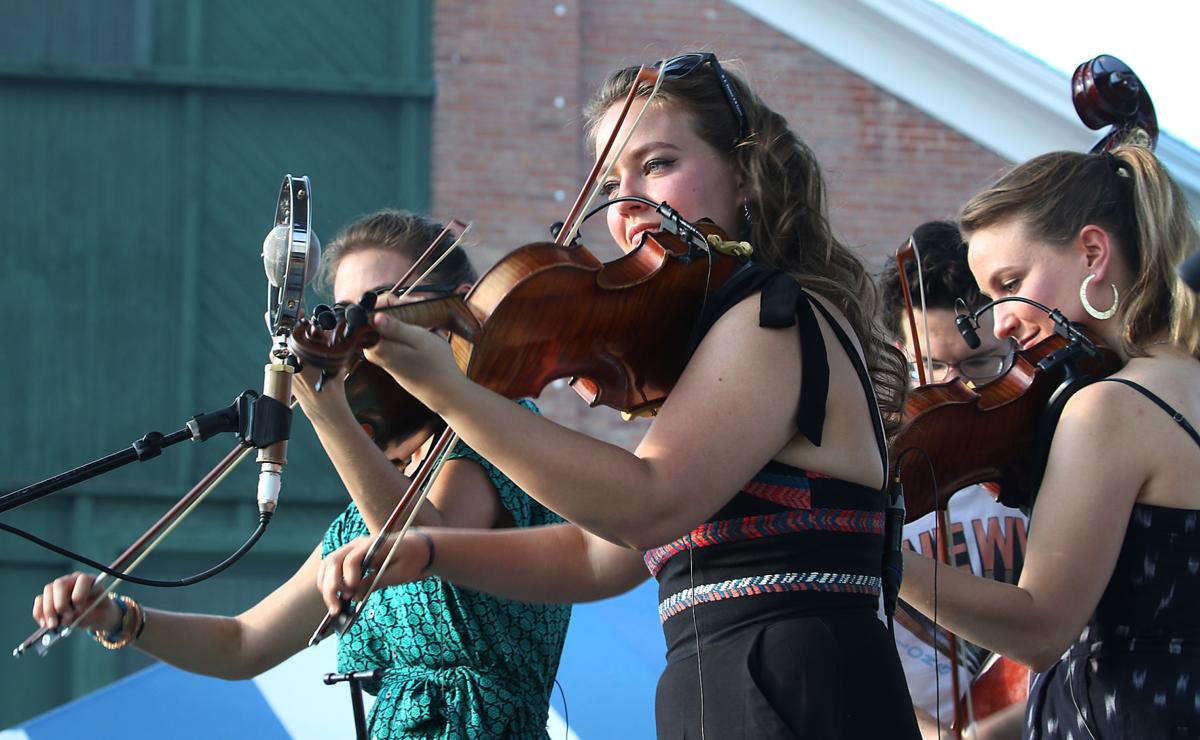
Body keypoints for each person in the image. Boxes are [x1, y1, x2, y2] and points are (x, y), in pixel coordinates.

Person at [317, 54, 921, 738]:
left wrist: (447, 391)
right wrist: (429, 551)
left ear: (745, 174)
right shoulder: (717, 342)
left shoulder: (775, 317)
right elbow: (596, 555)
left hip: (795, 687)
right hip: (722, 688)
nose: (624, 201)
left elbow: (646, 504)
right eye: (609, 181)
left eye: (657, 163)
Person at [30, 210, 572, 739]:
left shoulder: (497, 437)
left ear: (454, 307)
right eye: (344, 313)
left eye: (380, 304)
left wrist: (326, 412)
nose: (358, 333)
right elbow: (245, 644)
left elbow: (428, 546)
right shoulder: (367, 510)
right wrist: (119, 618)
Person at [898, 146, 1200, 739]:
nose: (1001, 322)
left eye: (1011, 283)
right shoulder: (1184, 381)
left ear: (1093, 253)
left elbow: (1039, 630)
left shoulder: (1112, 408)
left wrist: (874, 547)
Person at [878, 220, 1027, 740]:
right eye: (931, 367)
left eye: (980, 364)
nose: (954, 391)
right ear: (899, 351)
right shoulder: (869, 469)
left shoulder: (1042, 464)